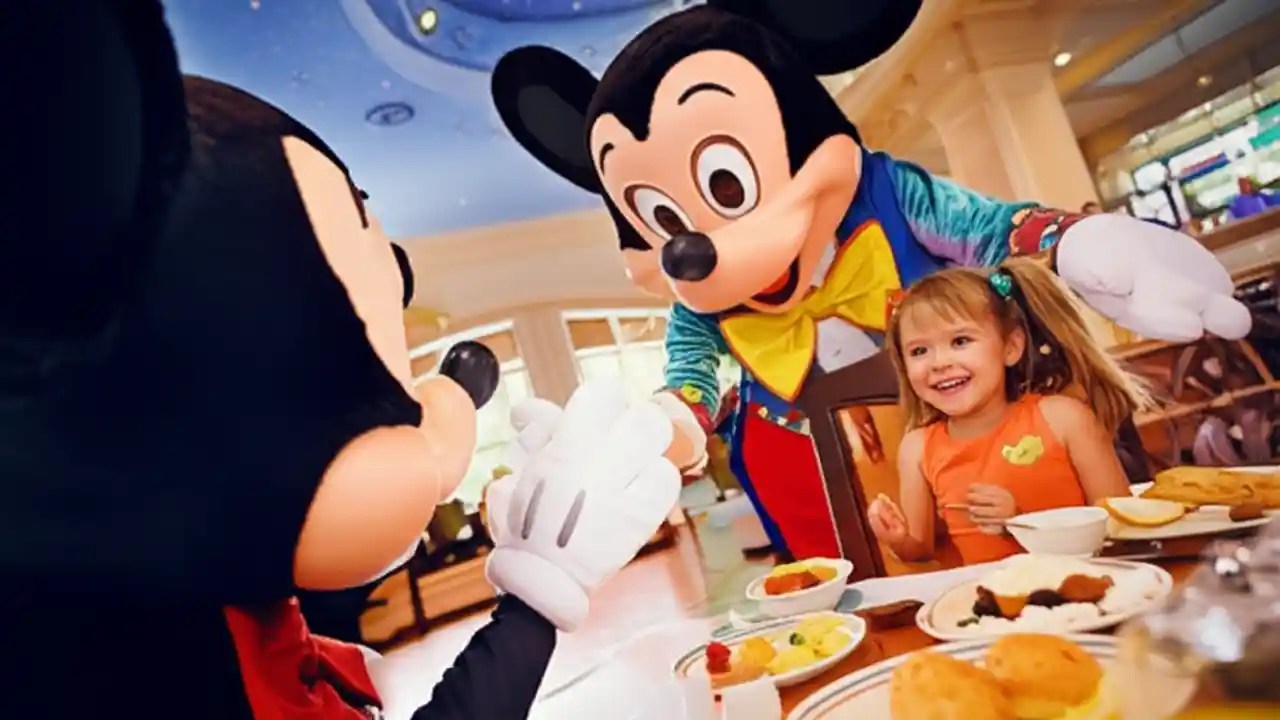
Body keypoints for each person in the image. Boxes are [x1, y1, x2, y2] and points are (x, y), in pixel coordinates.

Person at [866, 258, 1147, 565]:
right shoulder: (916, 449)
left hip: (1093, 586)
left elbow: (1121, 524)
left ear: (1011, 347)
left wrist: (1020, 522)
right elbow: (920, 549)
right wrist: (896, 538)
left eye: (960, 341)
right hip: (993, 604)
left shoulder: (1064, 418)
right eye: (919, 351)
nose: (938, 363)